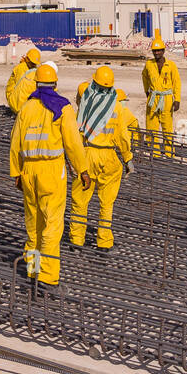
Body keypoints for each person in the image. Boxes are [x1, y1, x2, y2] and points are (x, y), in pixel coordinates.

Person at [9, 62, 90, 288]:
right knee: (52, 226)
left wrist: (16, 172)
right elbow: (73, 144)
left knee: (33, 226)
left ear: (36, 84)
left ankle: (33, 271)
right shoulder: (62, 108)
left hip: (29, 172)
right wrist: (83, 170)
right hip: (52, 172)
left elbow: (15, 143)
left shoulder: (26, 108)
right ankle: (47, 276)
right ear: (55, 84)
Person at [69, 66, 132, 253]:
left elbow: (75, 135)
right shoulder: (117, 106)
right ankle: (104, 243)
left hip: (86, 155)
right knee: (106, 203)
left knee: (80, 201)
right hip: (109, 158)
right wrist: (128, 159)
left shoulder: (86, 104)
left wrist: (73, 160)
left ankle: (77, 241)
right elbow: (122, 136)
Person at [141, 32, 181, 157]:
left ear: (163, 51)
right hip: (153, 98)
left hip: (167, 99)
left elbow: (176, 82)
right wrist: (147, 91)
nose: (157, 53)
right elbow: (144, 77)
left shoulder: (171, 66)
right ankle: (155, 152)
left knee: (167, 127)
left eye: (159, 51)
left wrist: (177, 99)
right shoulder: (149, 64)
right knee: (151, 126)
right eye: (154, 51)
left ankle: (169, 152)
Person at [6, 47, 41, 114]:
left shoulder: (32, 68)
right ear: (27, 59)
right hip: (14, 100)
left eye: (35, 63)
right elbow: (20, 89)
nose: (33, 65)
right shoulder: (21, 68)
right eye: (32, 63)